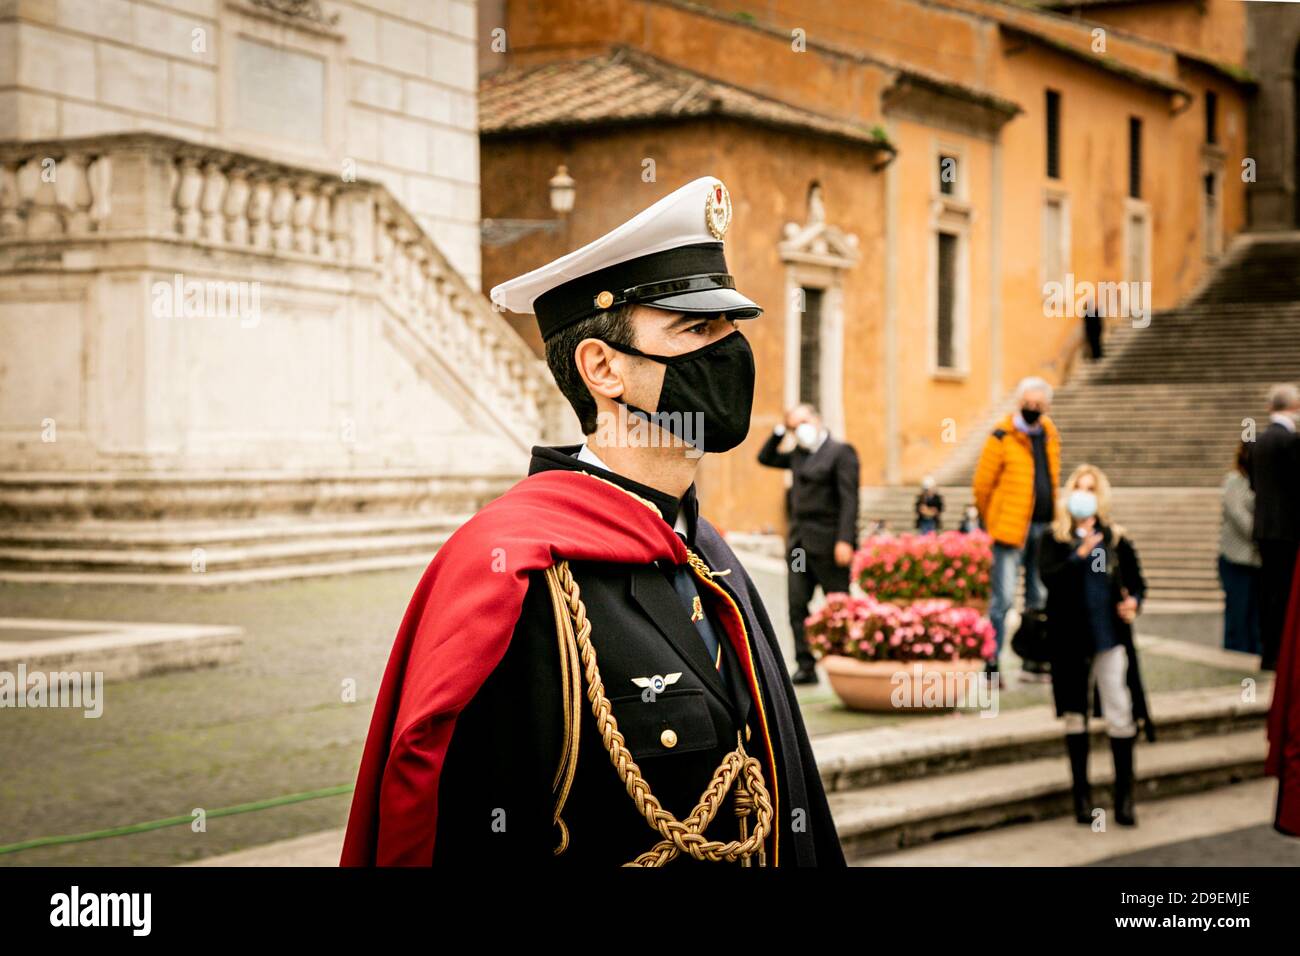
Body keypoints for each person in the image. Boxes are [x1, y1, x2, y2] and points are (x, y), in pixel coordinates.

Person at [340, 177, 844, 867]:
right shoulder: (511, 576)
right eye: (697, 328)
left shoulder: (709, 554)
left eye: (731, 327)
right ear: (602, 367)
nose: (728, 353)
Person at [1038, 464, 1156, 828]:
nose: (1084, 495)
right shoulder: (1055, 540)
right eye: (1079, 487)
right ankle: (1082, 798)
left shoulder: (1115, 540)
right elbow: (1050, 581)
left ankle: (1124, 798)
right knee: (1076, 713)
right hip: (1070, 640)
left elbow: (1136, 583)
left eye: (1091, 489)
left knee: (1120, 710)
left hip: (1109, 637)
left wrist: (1133, 601)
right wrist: (1079, 554)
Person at [757, 403, 860, 685]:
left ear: (817, 420)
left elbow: (849, 500)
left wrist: (845, 540)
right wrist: (782, 429)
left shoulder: (840, 452)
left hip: (830, 545)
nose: (799, 428)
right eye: (794, 425)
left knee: (838, 605)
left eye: (803, 422)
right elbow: (765, 457)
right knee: (796, 604)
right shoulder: (798, 455)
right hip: (800, 546)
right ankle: (806, 664)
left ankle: (847, 658)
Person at [972, 376, 1061, 675]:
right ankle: (992, 660)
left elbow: (1053, 477)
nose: (1033, 408)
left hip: (1044, 527)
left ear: (1047, 406)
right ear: (1018, 403)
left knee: (1038, 597)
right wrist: (994, 519)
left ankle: (1033, 656)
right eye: (1028, 403)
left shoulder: (1049, 434)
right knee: (1004, 598)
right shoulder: (1002, 435)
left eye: (1038, 404)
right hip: (1009, 531)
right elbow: (982, 486)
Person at [1250, 383, 1300, 672]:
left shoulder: (1256, 442)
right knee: (1284, 593)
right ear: (1293, 408)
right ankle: (1282, 652)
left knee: (1268, 591)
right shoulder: (1290, 442)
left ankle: (1269, 653)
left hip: (1263, 528)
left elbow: (1255, 485)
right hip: (1288, 529)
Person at [1219, 441, 1261, 655]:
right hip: (1236, 557)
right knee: (1238, 608)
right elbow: (1238, 516)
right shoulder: (1234, 481)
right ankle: (1236, 650)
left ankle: (1254, 648)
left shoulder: (1262, 480)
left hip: (1258, 559)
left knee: (1256, 611)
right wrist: (1263, 534)